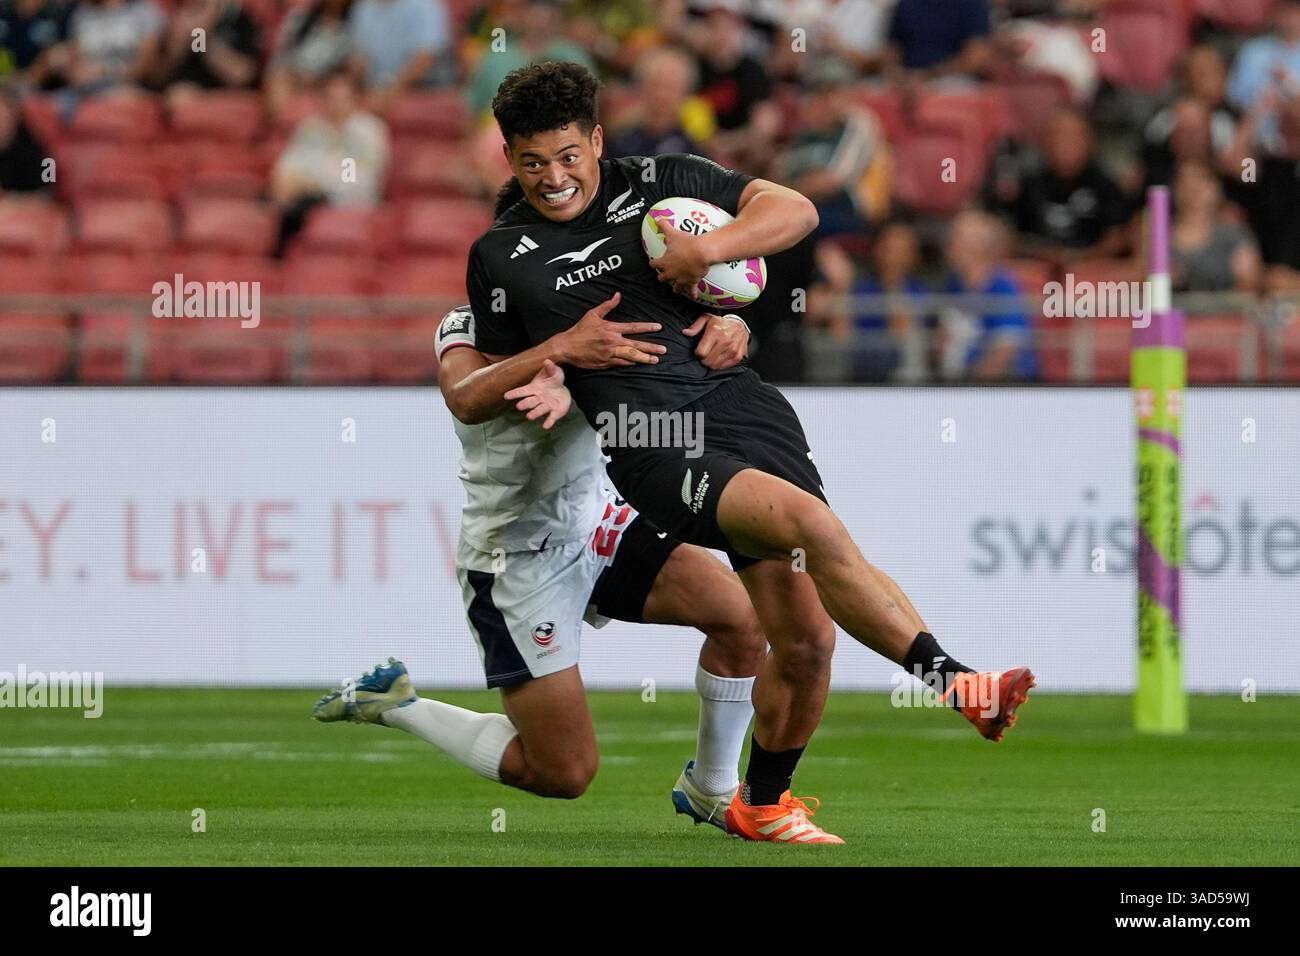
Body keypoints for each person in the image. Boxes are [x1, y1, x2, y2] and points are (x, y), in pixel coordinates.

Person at [464, 61, 1035, 844]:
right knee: (812, 525)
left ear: (596, 141)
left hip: (745, 406)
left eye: (568, 156)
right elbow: (485, 385)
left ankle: (761, 802)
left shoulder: (663, 184)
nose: (553, 177)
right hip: (654, 443)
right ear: (509, 159)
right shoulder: (501, 257)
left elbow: (793, 209)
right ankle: (959, 682)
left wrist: (718, 261)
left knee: (807, 640)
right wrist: (560, 355)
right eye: (532, 162)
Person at [317, 187, 765, 820]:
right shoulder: (466, 324)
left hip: (598, 523)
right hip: (515, 560)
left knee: (742, 622)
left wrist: (732, 323)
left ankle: (711, 790)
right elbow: (466, 393)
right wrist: (556, 359)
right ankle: (396, 703)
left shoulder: (596, 305)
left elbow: (703, 312)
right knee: (563, 773)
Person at [938, 209, 1038, 381]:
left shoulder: (1004, 289)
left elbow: (1006, 350)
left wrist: (971, 388)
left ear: (976, 247)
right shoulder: (953, 287)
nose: (949, 247)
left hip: (1001, 389)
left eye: (956, 240)